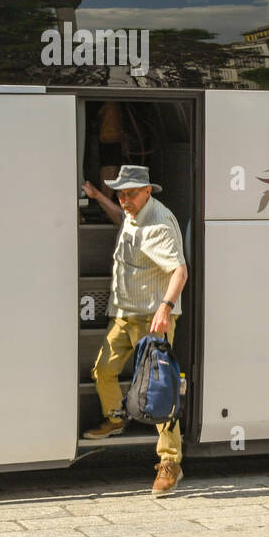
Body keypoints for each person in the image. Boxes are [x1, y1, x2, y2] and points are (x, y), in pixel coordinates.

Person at [81, 165, 190, 496]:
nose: (124, 200)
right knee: (103, 369)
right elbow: (121, 219)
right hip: (124, 313)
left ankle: (170, 463)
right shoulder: (133, 211)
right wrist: (99, 196)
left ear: (147, 192)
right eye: (120, 193)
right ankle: (116, 419)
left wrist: (165, 308)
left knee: (159, 393)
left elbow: (180, 271)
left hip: (151, 317)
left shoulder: (159, 225)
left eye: (129, 193)